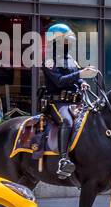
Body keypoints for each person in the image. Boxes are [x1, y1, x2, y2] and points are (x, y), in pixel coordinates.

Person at [40, 23, 97, 179]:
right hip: (57, 103)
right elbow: (59, 81)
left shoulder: (70, 59)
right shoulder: (48, 61)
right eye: (67, 41)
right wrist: (80, 74)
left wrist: (82, 82)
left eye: (70, 41)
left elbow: (75, 78)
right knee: (67, 122)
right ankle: (63, 160)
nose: (70, 44)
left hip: (75, 102)